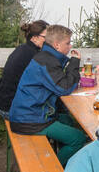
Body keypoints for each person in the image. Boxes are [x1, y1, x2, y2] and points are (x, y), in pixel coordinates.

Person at [8, 24, 88, 164]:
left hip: (28, 113)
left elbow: (60, 82)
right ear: (56, 45)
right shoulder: (46, 61)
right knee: (78, 138)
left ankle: (66, 158)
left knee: (67, 120)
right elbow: (65, 88)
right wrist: (75, 61)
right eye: (68, 43)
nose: (70, 46)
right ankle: (55, 168)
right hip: (29, 120)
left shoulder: (46, 57)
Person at [0, 19, 47, 120]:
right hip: (12, 110)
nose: (49, 40)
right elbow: (49, 83)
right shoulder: (34, 55)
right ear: (35, 38)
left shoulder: (22, 49)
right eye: (46, 37)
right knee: (54, 114)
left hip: (4, 104)